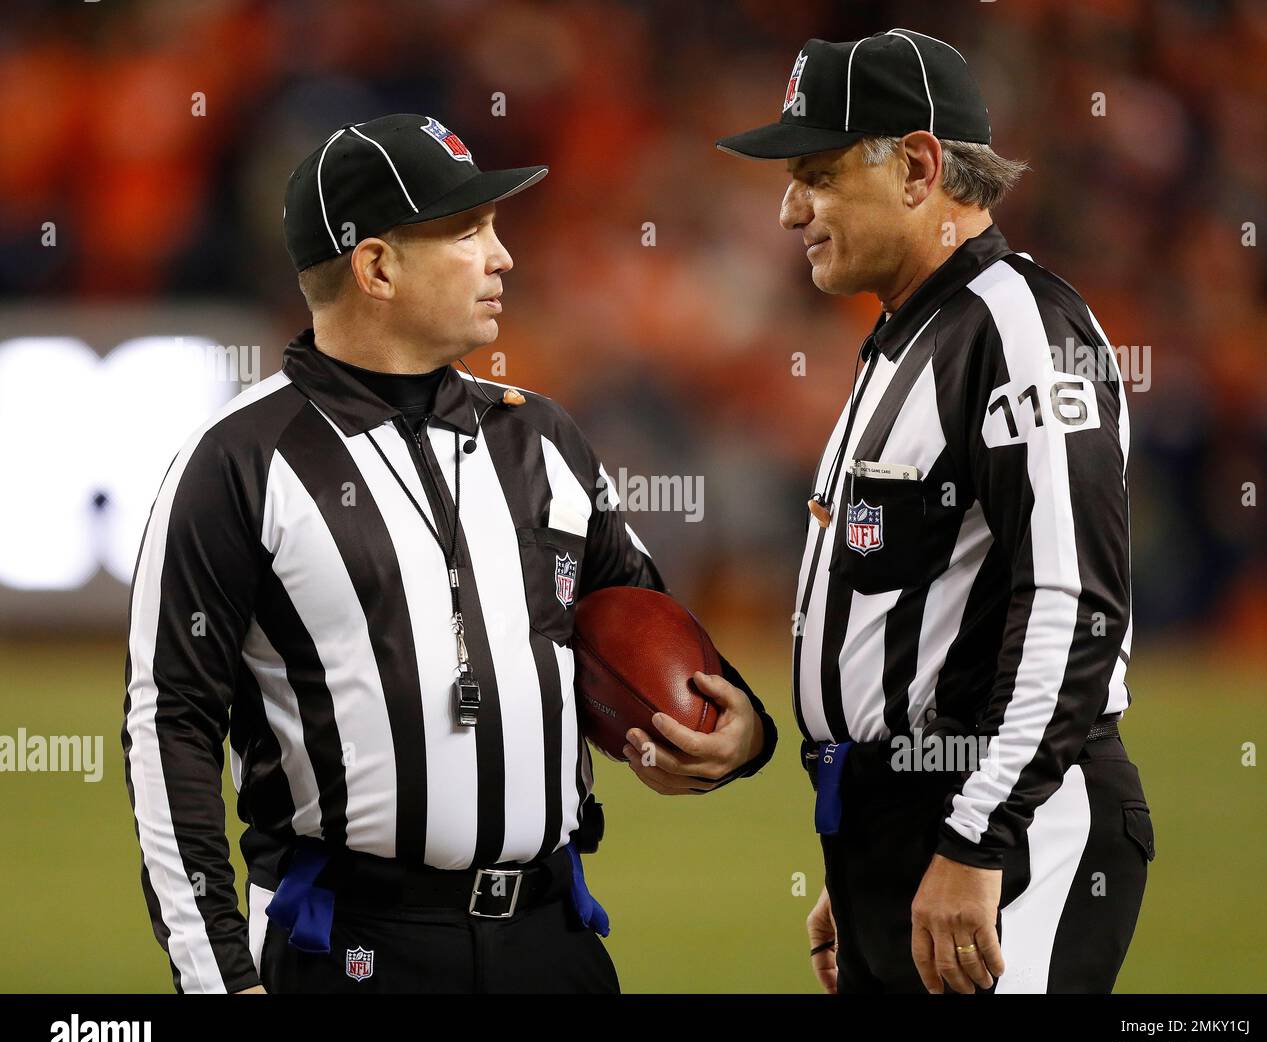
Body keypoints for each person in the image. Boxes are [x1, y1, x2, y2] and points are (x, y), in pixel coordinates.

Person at [122, 113, 777, 994]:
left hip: (553, 940)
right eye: (468, 232)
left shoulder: (540, 436)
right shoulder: (239, 461)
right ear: (377, 266)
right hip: (352, 950)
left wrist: (741, 731)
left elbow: (638, 615)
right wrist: (219, 980)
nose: (503, 257)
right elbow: (170, 724)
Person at [710, 31, 1154, 993]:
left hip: (1005, 829)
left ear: (917, 166)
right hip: (909, 833)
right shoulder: (912, 334)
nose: (791, 212)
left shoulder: (1018, 328)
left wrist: (976, 838)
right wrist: (866, 856)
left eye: (817, 175)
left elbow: (1070, 602)